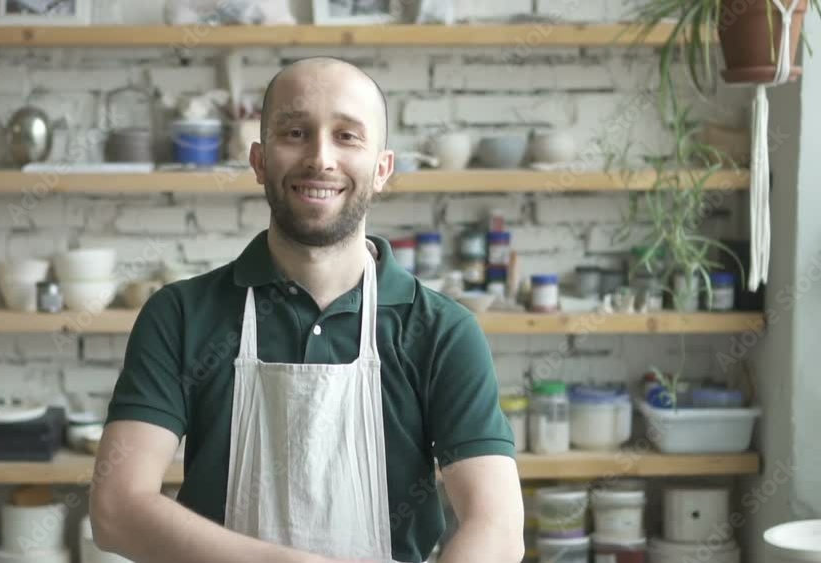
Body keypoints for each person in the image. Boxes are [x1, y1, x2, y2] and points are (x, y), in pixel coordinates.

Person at [90, 57, 524, 563]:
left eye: (347, 136)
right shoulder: (181, 315)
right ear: (259, 161)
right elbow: (116, 510)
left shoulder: (441, 331)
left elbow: (497, 528)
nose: (320, 158)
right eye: (295, 133)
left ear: (382, 169)